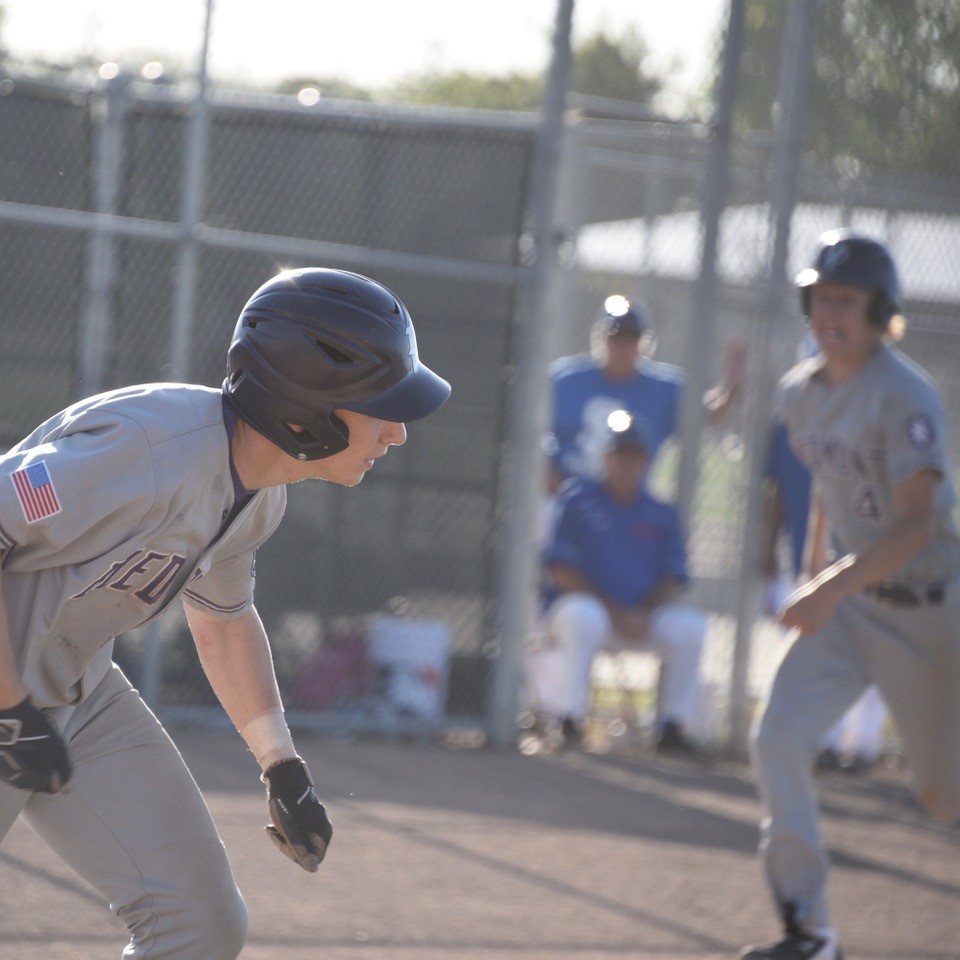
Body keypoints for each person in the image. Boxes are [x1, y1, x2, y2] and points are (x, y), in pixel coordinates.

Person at [0, 267, 450, 959]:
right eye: (380, 406)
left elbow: (223, 621)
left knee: (199, 924)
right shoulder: (148, 452)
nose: (397, 433)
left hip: (71, 690)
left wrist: (282, 769)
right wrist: (8, 705)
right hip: (10, 691)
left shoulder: (260, 491)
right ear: (306, 406)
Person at [740, 229, 960, 960]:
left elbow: (915, 526)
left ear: (880, 310)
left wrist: (827, 586)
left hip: (926, 610)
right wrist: (815, 572)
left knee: (942, 796)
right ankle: (811, 932)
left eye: (849, 298)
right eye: (822, 297)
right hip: (848, 605)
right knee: (777, 738)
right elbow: (831, 491)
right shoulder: (799, 393)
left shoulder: (904, 394)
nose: (831, 311)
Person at [536, 417, 707, 754]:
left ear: (646, 461)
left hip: (640, 616)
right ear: (605, 458)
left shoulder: (661, 511)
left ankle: (672, 726)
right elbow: (561, 570)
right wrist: (618, 613)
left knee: (692, 627)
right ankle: (569, 720)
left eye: (635, 456)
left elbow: (673, 577)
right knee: (585, 616)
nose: (627, 464)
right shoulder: (578, 501)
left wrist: (641, 613)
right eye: (619, 455)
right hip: (583, 612)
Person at [760, 346, 891, 779]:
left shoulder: (878, 421)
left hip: (870, 561)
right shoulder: (790, 424)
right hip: (815, 559)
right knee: (820, 656)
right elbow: (783, 493)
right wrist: (790, 559)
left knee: (876, 654)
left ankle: (864, 746)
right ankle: (826, 745)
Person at [545, 293, 744, 498]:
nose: (622, 344)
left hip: (626, 506)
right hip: (563, 500)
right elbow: (534, 438)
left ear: (646, 342)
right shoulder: (565, 380)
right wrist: (560, 489)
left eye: (631, 336)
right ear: (599, 338)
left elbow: (706, 417)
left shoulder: (664, 389)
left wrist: (729, 388)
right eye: (615, 334)